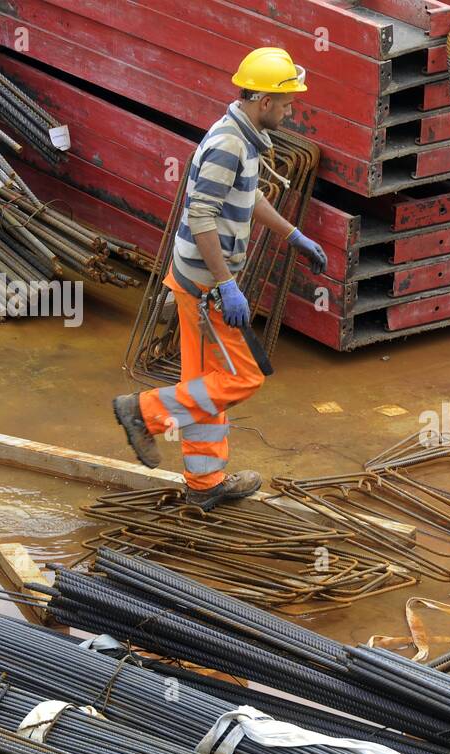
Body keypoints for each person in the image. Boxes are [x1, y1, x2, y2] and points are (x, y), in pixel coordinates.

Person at [113, 48, 327, 511]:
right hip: (206, 285)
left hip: (198, 281)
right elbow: (203, 213)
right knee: (243, 377)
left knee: (203, 383)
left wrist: (292, 234)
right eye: (287, 103)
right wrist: (226, 283)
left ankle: (204, 483)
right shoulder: (229, 144)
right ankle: (143, 411)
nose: (292, 111)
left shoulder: (243, 139)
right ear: (264, 101)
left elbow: (246, 199)